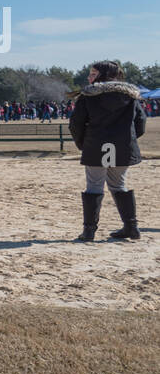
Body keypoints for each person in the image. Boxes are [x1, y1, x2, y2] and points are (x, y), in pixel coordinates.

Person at [69, 60, 146, 242]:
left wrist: (83, 144)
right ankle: (131, 227)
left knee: (94, 186)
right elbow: (140, 123)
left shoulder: (87, 96)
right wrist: (127, 140)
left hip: (96, 145)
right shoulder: (130, 97)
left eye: (93, 74)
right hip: (122, 147)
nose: (89, 77)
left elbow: (76, 124)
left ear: (104, 75)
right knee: (119, 185)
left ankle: (89, 231)